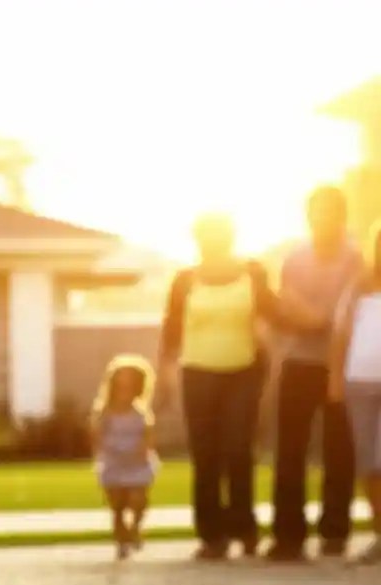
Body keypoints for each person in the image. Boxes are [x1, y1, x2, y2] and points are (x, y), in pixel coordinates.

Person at [159, 213, 324, 560]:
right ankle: (211, 536)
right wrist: (165, 372)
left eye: (219, 235)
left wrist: (314, 323)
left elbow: (274, 313)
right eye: (207, 236)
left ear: (230, 238)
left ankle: (244, 529)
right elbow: (172, 329)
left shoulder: (251, 273)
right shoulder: (184, 280)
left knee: (237, 449)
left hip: (244, 372)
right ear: (198, 240)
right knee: (206, 456)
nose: (213, 242)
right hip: (197, 372)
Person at [268, 185, 365, 562]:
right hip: (298, 363)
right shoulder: (295, 258)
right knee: (290, 450)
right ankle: (288, 535)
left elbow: (353, 306)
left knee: (339, 451)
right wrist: (313, 318)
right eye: (316, 212)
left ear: (341, 216)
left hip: (340, 366)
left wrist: (321, 320)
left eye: (329, 212)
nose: (322, 219)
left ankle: (334, 531)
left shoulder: (356, 258)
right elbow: (286, 302)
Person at [329, 223, 381, 564]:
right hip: (359, 382)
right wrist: (335, 378)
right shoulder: (360, 287)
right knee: (368, 464)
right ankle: (380, 533)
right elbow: (341, 333)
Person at [91, 355, 159, 560]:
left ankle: (136, 527)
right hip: (113, 460)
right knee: (117, 504)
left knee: (139, 499)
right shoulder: (105, 412)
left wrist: (142, 450)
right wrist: (103, 450)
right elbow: (96, 434)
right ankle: (121, 539)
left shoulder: (140, 413)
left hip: (136, 460)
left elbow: (148, 435)